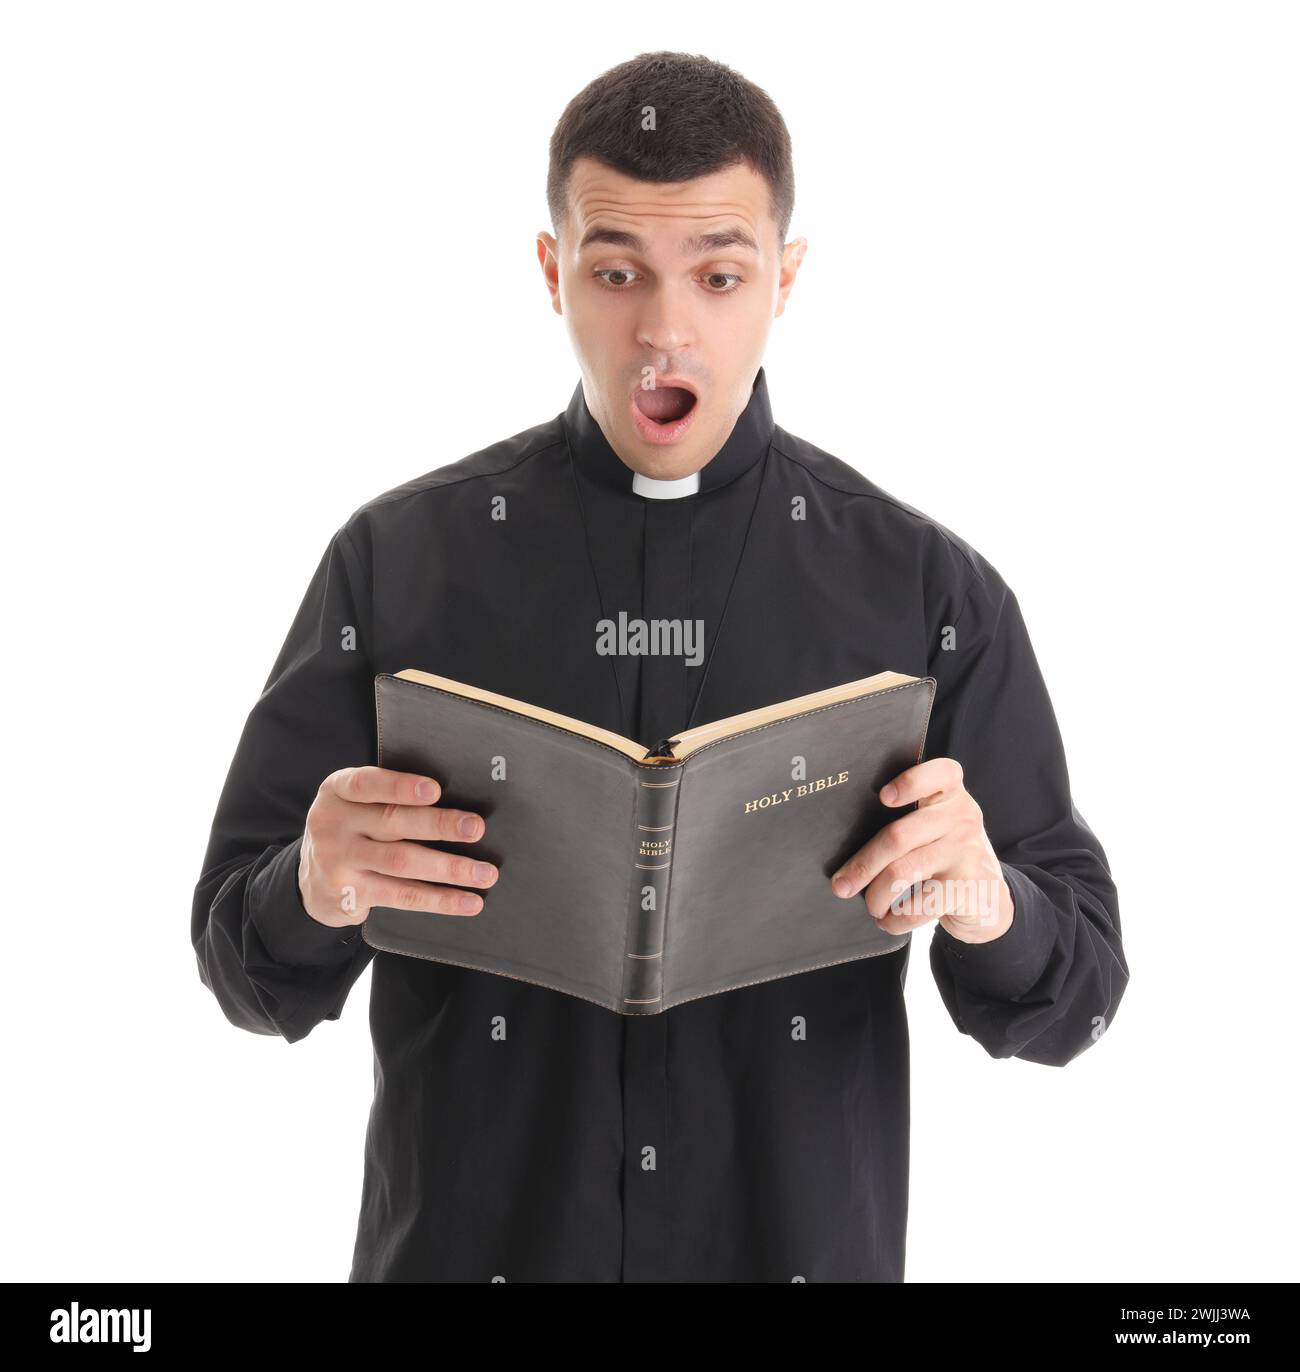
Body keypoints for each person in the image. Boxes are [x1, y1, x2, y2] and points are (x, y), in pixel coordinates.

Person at [192, 50, 1128, 1283]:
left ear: (785, 281)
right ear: (551, 272)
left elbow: (1075, 996)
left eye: (720, 274)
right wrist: (312, 885)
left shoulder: (927, 591)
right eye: (616, 270)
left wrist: (985, 897)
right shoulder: (396, 562)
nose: (663, 329)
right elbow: (239, 965)